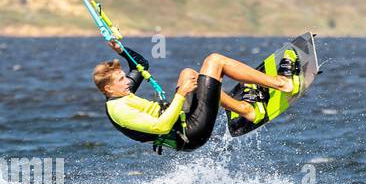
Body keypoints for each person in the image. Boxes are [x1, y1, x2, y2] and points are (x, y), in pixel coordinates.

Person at [93, 48, 303, 152]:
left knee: (189, 73)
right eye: (121, 80)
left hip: (181, 119)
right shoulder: (118, 110)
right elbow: (159, 126)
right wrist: (181, 94)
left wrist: (121, 50)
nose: (127, 82)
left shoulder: (119, 92)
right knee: (215, 61)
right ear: (109, 88)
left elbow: (140, 65)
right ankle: (283, 83)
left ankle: (247, 111)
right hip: (189, 133)